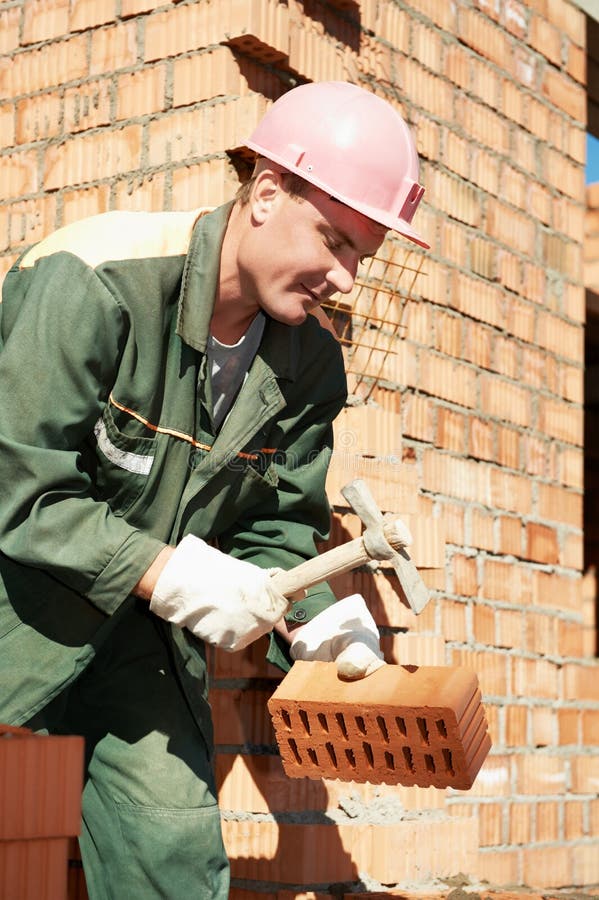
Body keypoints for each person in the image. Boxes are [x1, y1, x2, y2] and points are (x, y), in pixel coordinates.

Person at [0, 81, 428, 898]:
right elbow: (17, 488)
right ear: (266, 193)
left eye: (361, 256)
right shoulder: (96, 278)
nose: (344, 277)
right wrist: (169, 572)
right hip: (14, 592)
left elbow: (274, 527)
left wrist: (316, 623)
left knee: (172, 849)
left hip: (132, 636)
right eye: (334, 240)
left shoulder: (309, 368)